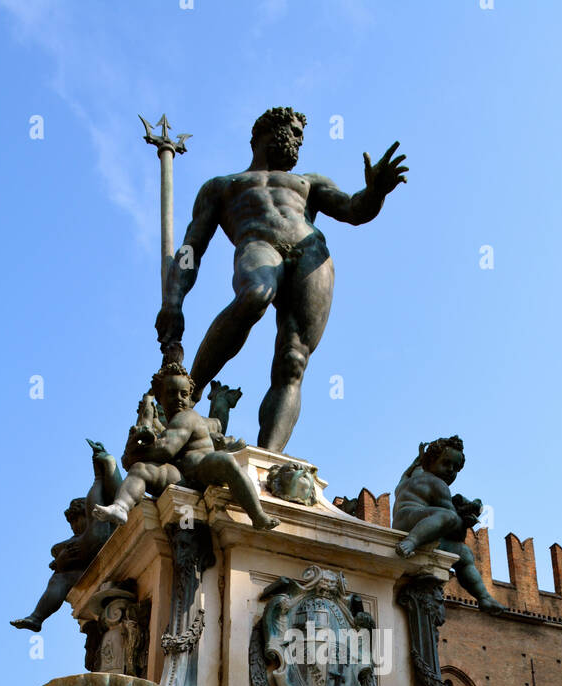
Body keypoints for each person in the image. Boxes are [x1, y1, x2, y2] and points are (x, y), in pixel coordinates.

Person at [155, 106, 407, 453]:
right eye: (294, 132)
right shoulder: (223, 187)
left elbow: (353, 209)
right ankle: (190, 391)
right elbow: (191, 249)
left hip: (311, 252)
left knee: (293, 359)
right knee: (256, 293)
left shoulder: (309, 183)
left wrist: (376, 192)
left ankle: (269, 459)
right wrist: (174, 300)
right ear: (264, 133)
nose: (300, 141)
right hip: (257, 243)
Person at [93, 360, 277, 532]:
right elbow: (142, 456)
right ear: (160, 396)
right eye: (172, 393)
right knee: (141, 469)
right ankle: (121, 507)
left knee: (224, 460)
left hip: (203, 469)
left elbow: (166, 449)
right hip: (181, 476)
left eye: (184, 394)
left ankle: (257, 514)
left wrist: (135, 453)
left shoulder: (187, 416)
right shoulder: (164, 425)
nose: (179, 399)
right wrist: (135, 453)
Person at [10, 441, 121, 632]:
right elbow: (56, 552)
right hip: (94, 567)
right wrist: (60, 560)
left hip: (101, 543)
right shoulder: (71, 541)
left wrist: (60, 559)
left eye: (76, 520)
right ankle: (36, 618)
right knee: (60, 579)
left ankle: (36, 617)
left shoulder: (98, 516)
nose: (73, 526)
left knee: (97, 498)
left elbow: (57, 551)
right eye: (71, 523)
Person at [392, 437, 503, 613]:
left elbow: (409, 471)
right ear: (431, 462)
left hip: (410, 524)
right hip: (413, 525)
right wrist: (466, 520)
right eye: (446, 463)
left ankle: (484, 597)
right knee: (450, 516)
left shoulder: (406, 480)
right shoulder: (438, 484)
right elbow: (451, 524)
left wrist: (418, 460)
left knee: (463, 554)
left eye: (455, 468)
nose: (451, 470)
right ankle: (411, 542)